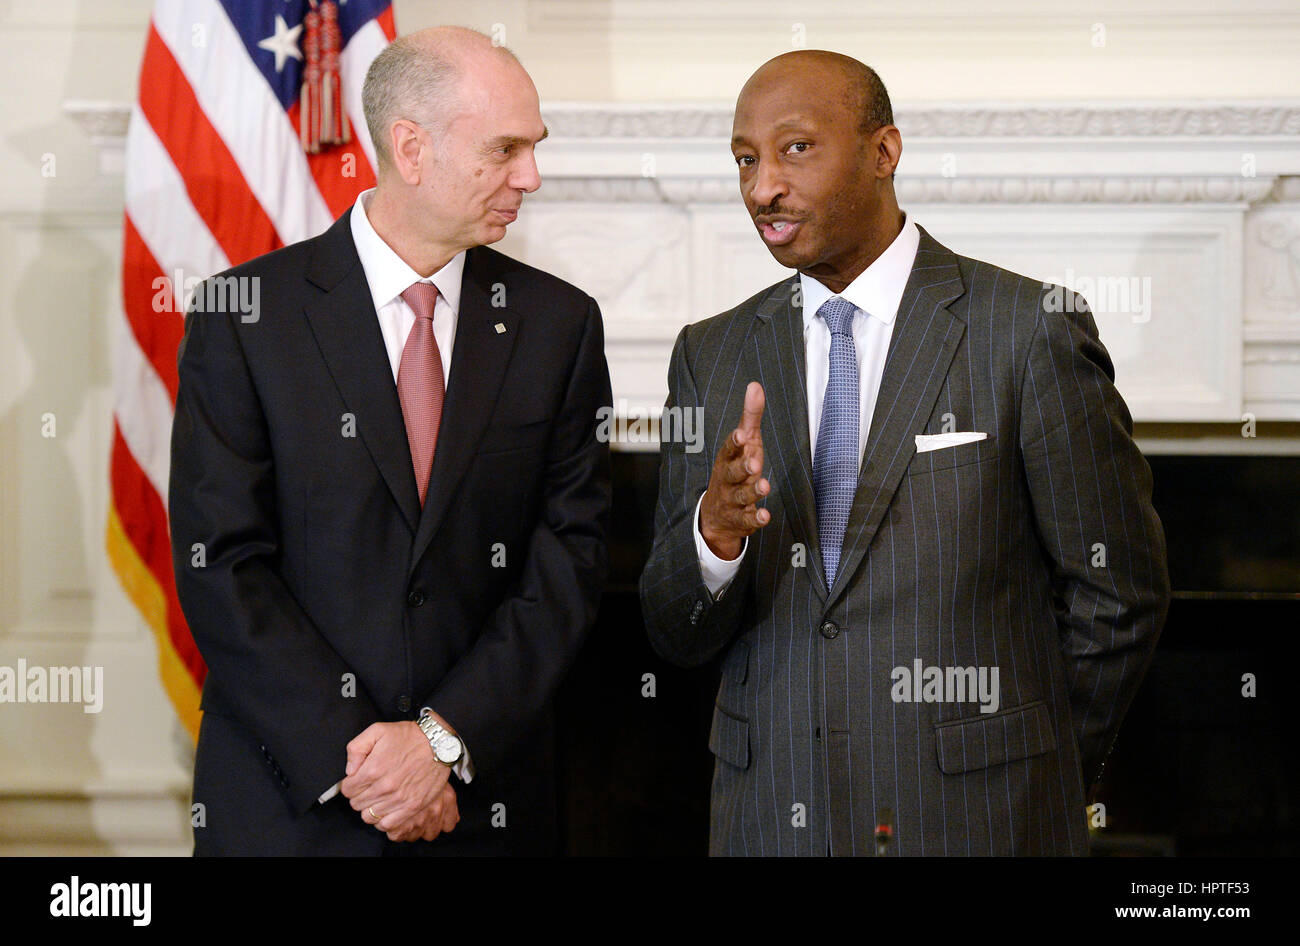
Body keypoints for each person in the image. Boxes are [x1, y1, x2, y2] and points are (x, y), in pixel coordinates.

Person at [639, 49, 1170, 856]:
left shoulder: (1026, 331)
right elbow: (672, 630)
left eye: (795, 149)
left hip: (983, 824)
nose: (762, 187)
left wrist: (1037, 767)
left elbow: (1117, 592)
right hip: (770, 818)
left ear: (884, 151)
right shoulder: (710, 354)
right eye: (745, 159)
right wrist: (713, 538)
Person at [170, 26, 611, 855]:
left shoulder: (560, 325)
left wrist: (440, 743)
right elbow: (222, 565)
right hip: (289, 801)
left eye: (534, 147)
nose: (532, 176)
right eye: (506, 149)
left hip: (484, 804)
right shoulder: (244, 318)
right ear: (411, 149)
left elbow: (570, 558)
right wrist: (369, 765)